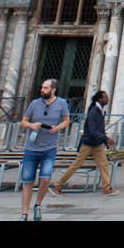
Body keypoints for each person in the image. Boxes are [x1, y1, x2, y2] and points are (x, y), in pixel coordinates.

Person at [19, 79, 71, 221]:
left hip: (49, 148)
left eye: (46, 88)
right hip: (31, 148)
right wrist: (31, 126)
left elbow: (66, 120)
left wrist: (57, 128)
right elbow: (23, 121)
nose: (42, 90)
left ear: (53, 90)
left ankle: (37, 204)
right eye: (42, 87)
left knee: (46, 179)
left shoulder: (61, 103)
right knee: (28, 181)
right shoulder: (34, 103)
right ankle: (24, 214)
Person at [49, 90, 118, 197]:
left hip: (97, 144)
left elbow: (101, 129)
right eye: (106, 98)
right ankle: (57, 185)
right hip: (88, 143)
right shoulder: (94, 111)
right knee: (76, 165)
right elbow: (92, 130)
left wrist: (105, 141)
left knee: (104, 165)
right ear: (100, 99)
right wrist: (106, 138)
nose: (107, 99)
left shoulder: (100, 111)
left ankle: (107, 188)